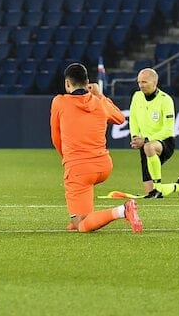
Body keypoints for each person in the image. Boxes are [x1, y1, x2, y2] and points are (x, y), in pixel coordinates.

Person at [51, 62, 143, 233]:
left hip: (79, 168)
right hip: (104, 166)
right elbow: (120, 119)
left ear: (67, 84)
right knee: (83, 202)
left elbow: (56, 137)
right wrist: (100, 96)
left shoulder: (59, 102)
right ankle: (83, 214)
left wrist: (68, 160)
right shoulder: (99, 102)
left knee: (82, 226)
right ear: (88, 83)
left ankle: (123, 210)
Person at [129, 67, 179, 199]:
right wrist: (135, 136)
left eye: (144, 82)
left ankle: (157, 188)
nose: (141, 85)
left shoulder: (165, 100)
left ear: (155, 82)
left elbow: (168, 130)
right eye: (139, 82)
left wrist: (146, 140)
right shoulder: (137, 96)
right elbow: (133, 118)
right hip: (145, 143)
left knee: (149, 147)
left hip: (164, 142)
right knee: (149, 192)